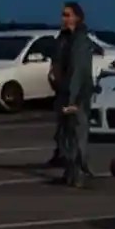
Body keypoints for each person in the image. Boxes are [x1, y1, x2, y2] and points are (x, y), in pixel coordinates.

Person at [56, 1, 95, 188]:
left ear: (77, 17)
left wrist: (73, 99)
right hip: (64, 91)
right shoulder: (63, 38)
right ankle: (70, 171)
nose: (64, 18)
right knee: (66, 134)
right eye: (63, 14)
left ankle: (79, 172)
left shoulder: (80, 40)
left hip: (78, 94)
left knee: (78, 132)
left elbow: (78, 71)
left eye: (67, 15)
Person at [46, 21, 72, 167]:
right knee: (63, 123)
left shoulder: (70, 42)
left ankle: (65, 153)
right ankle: (61, 152)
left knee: (67, 123)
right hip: (62, 86)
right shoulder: (62, 41)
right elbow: (55, 63)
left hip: (66, 86)